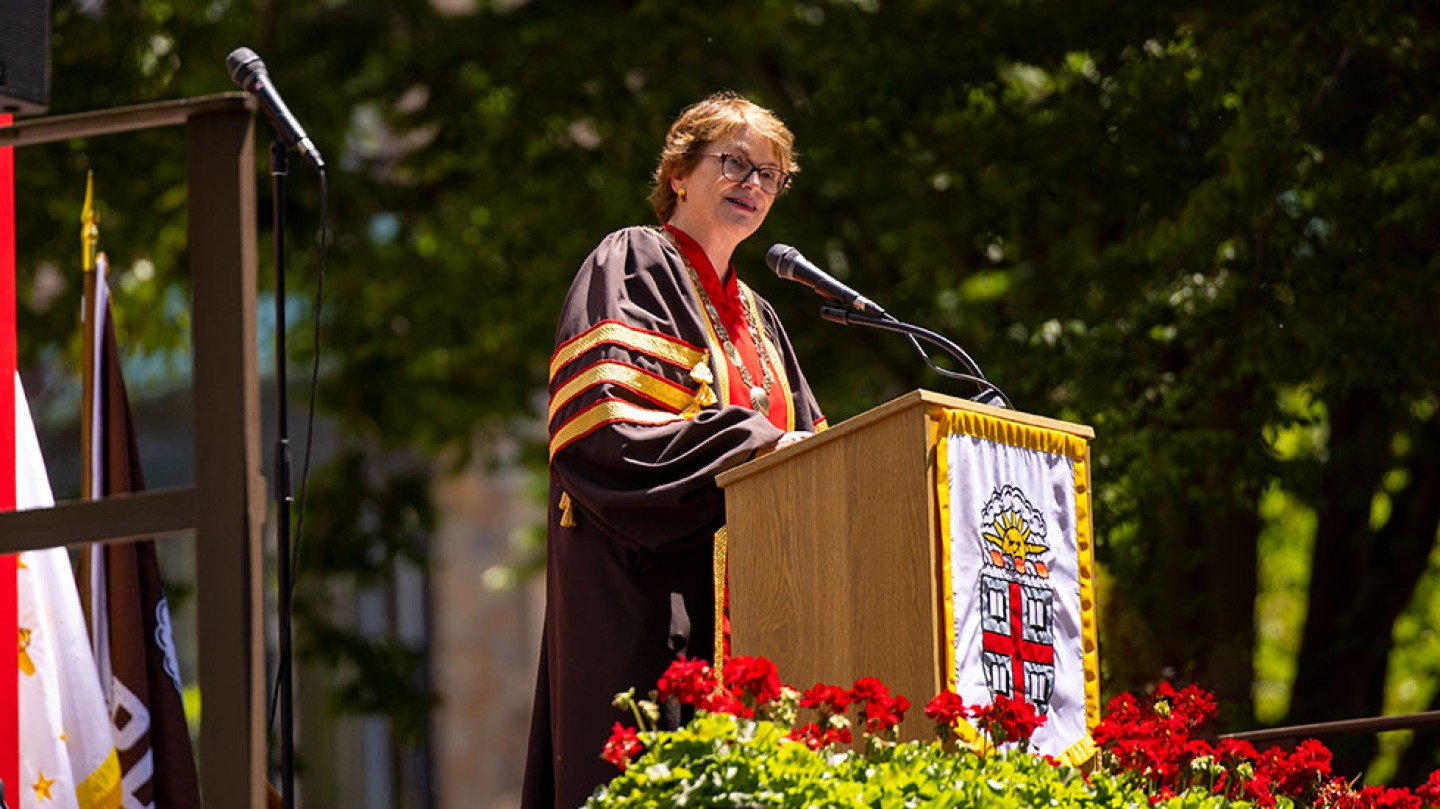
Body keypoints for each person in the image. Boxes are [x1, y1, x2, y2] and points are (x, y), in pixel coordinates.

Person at [521, 91, 828, 809]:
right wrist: (761, 444)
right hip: (653, 605)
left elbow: (818, 458)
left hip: (764, 629)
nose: (753, 184)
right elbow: (605, 432)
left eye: (770, 175)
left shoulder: (762, 314)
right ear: (680, 173)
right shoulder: (633, 260)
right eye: (735, 163)